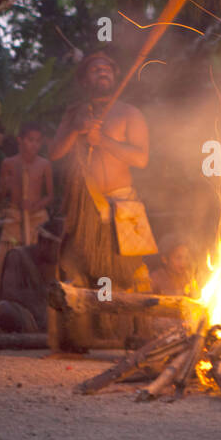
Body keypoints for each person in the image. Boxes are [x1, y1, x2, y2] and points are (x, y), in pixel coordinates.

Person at [48, 52, 154, 350]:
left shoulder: (129, 113)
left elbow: (141, 158)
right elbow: (55, 153)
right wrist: (76, 130)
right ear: (84, 80)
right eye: (95, 69)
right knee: (73, 269)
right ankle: (76, 340)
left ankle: (138, 339)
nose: (102, 72)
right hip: (85, 207)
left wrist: (102, 141)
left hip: (125, 204)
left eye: (107, 68)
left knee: (134, 273)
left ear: (115, 75)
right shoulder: (74, 114)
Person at [0, 123, 53, 290]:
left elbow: (50, 195)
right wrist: (4, 186)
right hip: (15, 218)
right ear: (20, 141)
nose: (35, 145)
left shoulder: (44, 164)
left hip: (36, 218)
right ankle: (8, 292)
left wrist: (35, 206)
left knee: (38, 257)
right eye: (30, 140)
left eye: (38, 141)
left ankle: (39, 291)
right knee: (10, 255)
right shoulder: (8, 163)